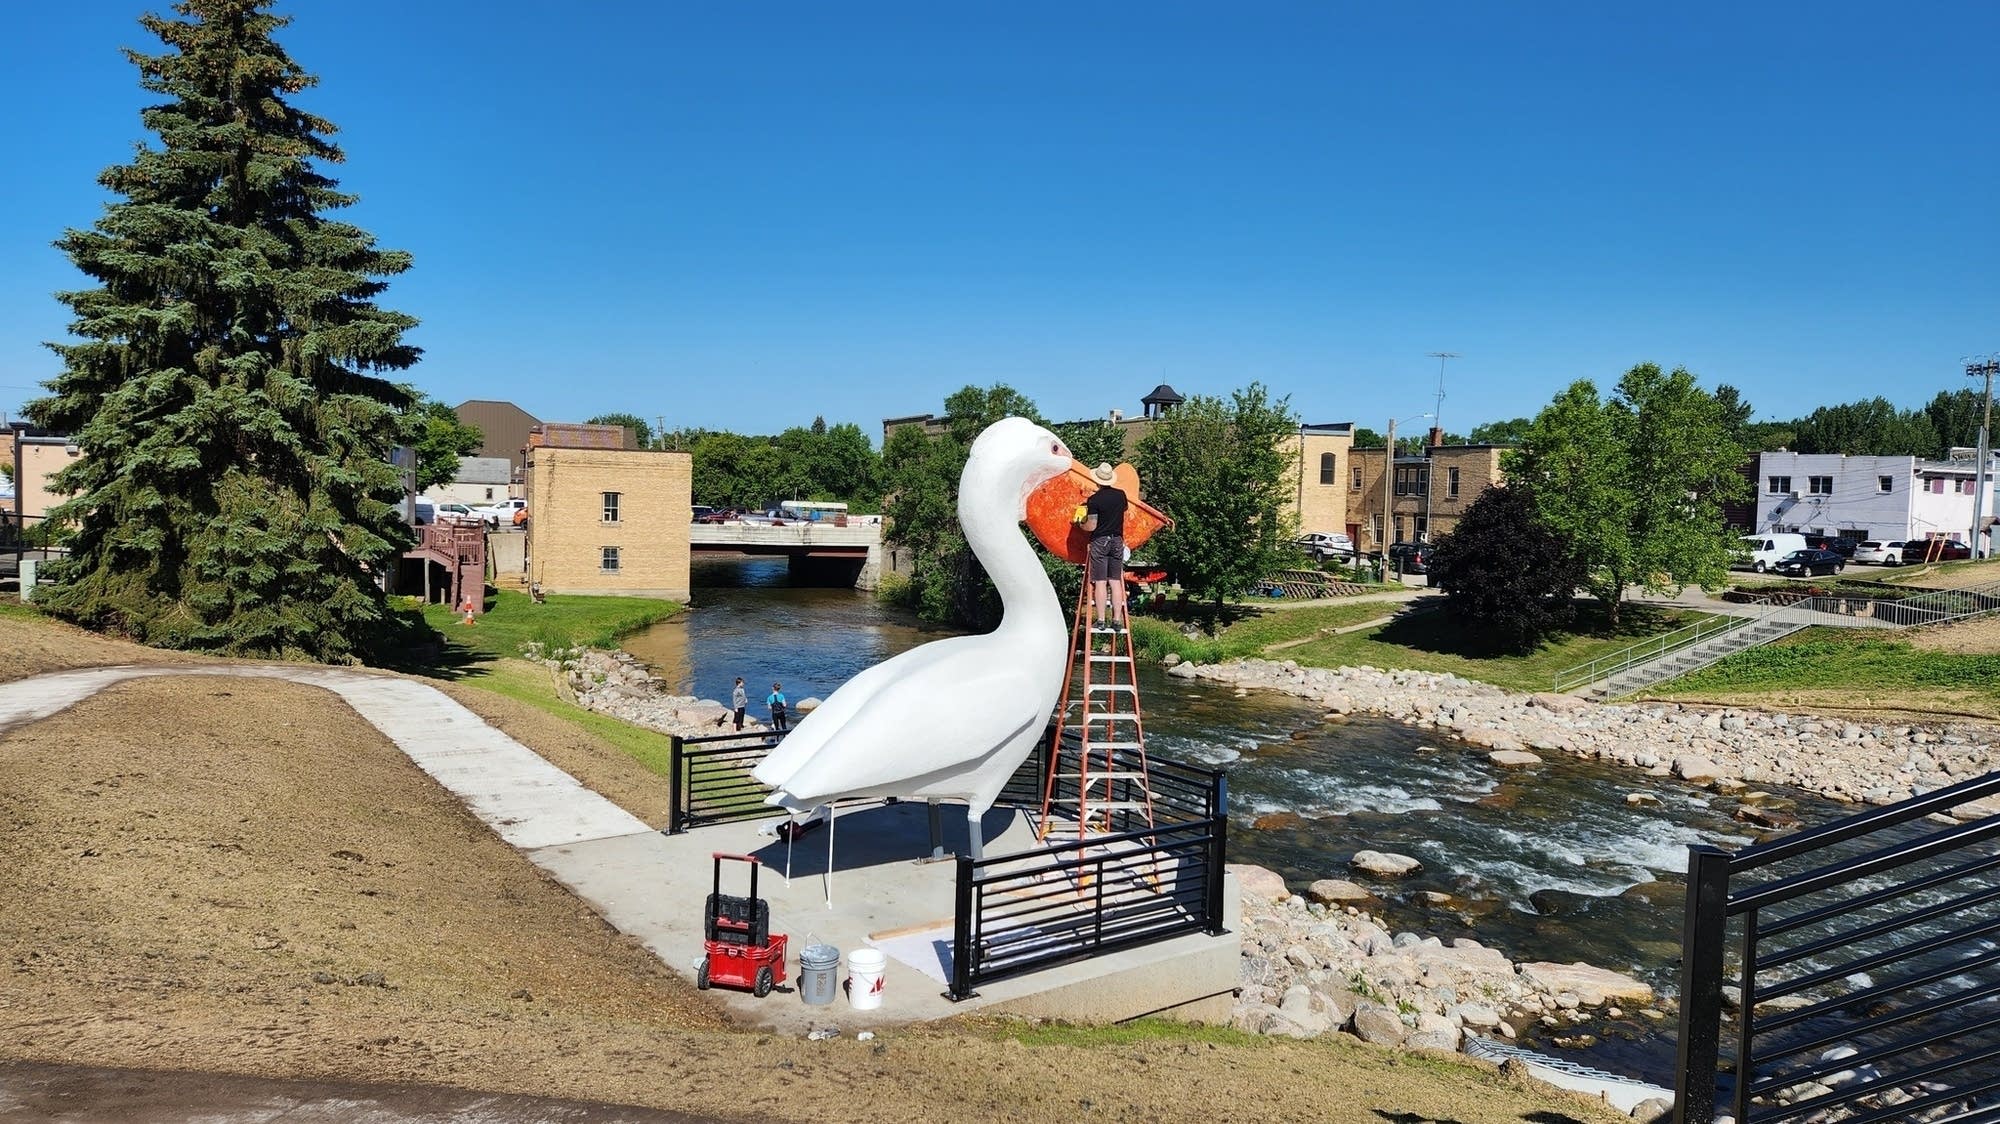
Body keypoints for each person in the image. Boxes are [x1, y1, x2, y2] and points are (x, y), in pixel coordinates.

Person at [1083, 462, 1128, 630]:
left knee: (1100, 582)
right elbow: (1122, 513)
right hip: (1117, 540)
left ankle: (1101, 620)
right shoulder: (1121, 495)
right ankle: (1116, 620)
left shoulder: (1094, 500)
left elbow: (1091, 526)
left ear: (1097, 480)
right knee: (1115, 581)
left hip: (1100, 541)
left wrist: (1080, 524)